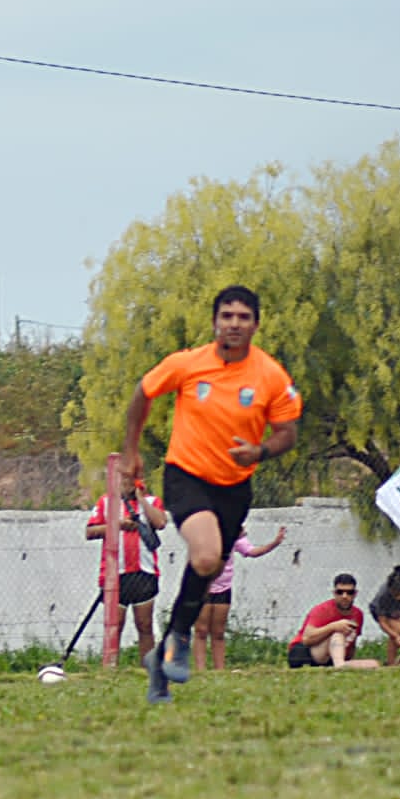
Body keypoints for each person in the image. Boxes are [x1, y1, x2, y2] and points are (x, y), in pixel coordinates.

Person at [121, 285, 302, 704]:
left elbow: (287, 434)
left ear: (255, 324)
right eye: (227, 316)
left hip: (236, 486)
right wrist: (131, 452)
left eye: (243, 317)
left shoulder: (270, 375)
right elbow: (142, 393)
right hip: (187, 475)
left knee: (206, 572)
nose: (234, 324)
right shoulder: (188, 364)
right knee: (205, 556)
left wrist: (259, 451)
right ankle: (178, 641)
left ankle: (165, 658)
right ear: (215, 321)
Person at [83, 487, 170, 666]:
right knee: (115, 624)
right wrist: (118, 525)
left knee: (144, 624)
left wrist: (141, 499)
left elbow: (160, 522)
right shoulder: (106, 502)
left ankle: (148, 667)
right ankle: (109, 667)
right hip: (116, 573)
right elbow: (90, 532)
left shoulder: (152, 502)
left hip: (144, 572)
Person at [194, 525, 286, 671]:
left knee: (218, 632)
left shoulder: (233, 533)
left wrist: (274, 543)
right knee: (201, 630)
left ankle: (220, 670)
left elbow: (251, 551)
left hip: (223, 587)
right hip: (202, 586)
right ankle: (200, 670)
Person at [287, 574, 381, 669]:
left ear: (355, 594)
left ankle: (340, 665)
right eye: (340, 592)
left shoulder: (358, 614)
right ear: (334, 593)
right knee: (337, 634)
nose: (344, 596)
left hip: (332, 657)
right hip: (303, 652)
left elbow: (352, 644)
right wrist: (333, 627)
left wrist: (348, 658)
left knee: (374, 664)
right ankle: (340, 665)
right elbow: (306, 639)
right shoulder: (322, 610)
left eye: (349, 592)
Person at [368, 565, 400, 667]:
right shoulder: (383, 596)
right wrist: (396, 636)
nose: (399, 597)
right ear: (390, 590)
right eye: (396, 594)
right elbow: (383, 622)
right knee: (397, 628)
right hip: (386, 614)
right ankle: (391, 664)